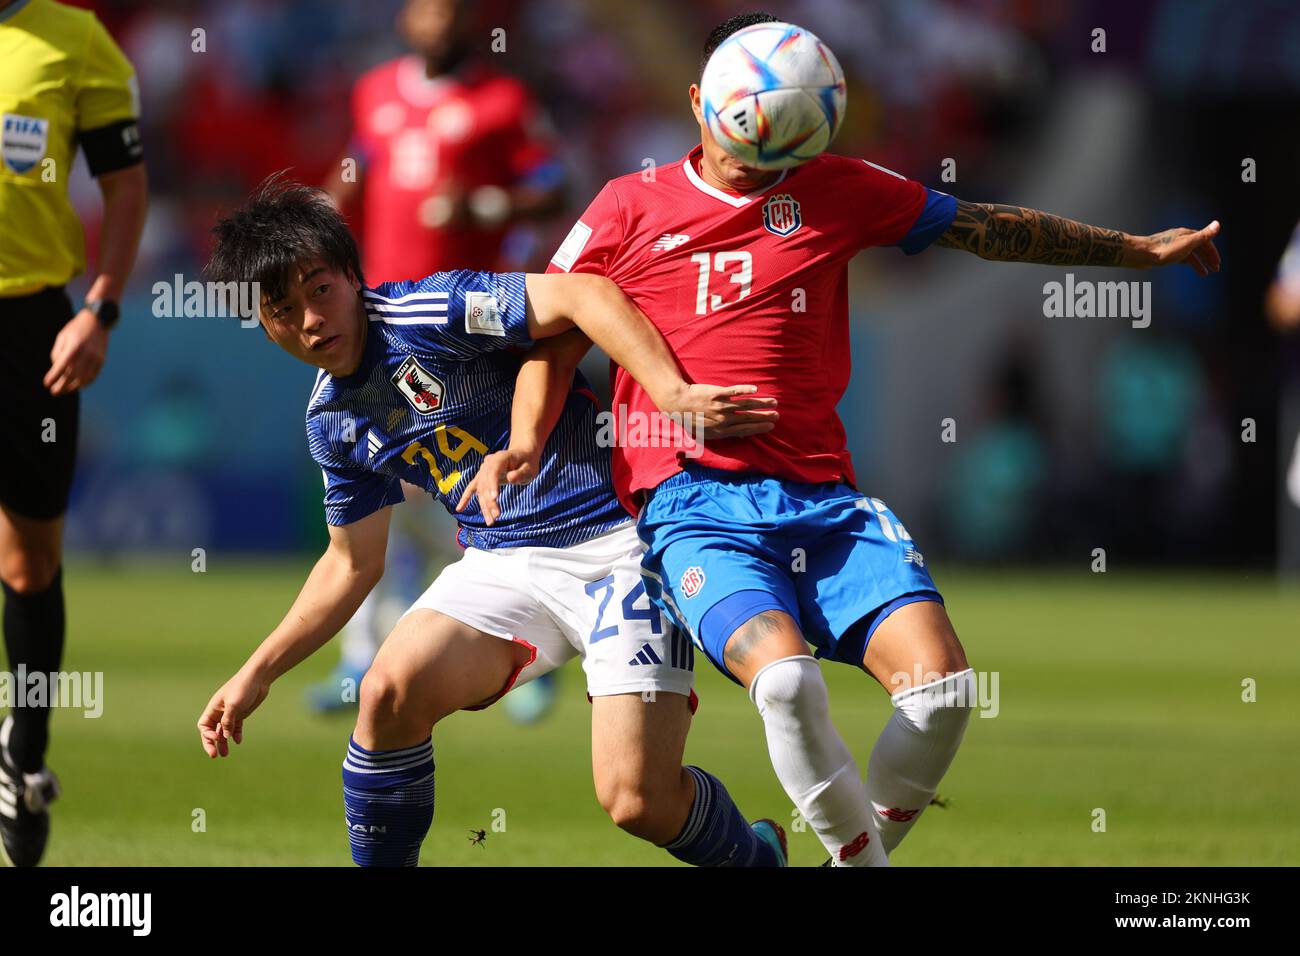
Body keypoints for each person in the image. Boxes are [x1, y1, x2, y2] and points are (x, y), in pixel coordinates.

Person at [467, 11, 1222, 867]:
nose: (750, 165)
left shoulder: (836, 189)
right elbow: (555, 336)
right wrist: (528, 438)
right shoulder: (627, 208)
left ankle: (849, 862)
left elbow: (983, 228)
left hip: (825, 503)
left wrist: (1132, 251)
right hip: (694, 505)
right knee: (786, 685)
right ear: (695, 105)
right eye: (735, 144)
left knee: (943, 696)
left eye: (773, 153)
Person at [197, 177, 786, 867]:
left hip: (622, 547)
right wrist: (257, 673)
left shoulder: (428, 313)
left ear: (352, 278)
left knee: (637, 801)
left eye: (319, 290)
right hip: (499, 566)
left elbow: (585, 293)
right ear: (262, 324)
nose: (310, 320)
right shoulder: (331, 419)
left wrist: (671, 392)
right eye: (283, 309)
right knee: (386, 694)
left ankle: (758, 859)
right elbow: (351, 563)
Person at [309, 0, 570, 718]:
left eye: (451, 10)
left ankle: (527, 644)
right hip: (383, 327)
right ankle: (360, 660)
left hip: (471, 330)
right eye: (426, 7)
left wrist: (484, 206)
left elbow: (555, 189)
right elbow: (356, 169)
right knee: (383, 487)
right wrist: (317, 231)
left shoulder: (503, 100)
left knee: (482, 487)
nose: (437, 20)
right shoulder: (377, 91)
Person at [0, 0, 147, 867]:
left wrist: (99, 307)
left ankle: (23, 753)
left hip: (31, 327)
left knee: (31, 560)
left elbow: (125, 186)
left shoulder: (75, 39)